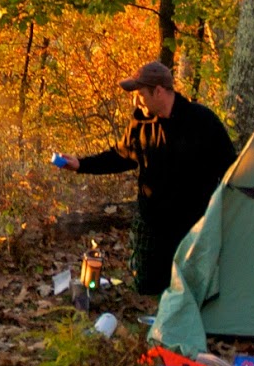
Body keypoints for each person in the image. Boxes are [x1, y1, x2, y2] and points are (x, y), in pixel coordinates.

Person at [56, 61, 236, 298]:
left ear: (158, 91)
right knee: (148, 290)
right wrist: (81, 164)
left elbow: (230, 168)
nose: (136, 101)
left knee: (190, 291)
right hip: (153, 222)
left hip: (193, 225)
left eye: (140, 95)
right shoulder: (140, 123)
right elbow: (121, 156)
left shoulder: (202, 122)